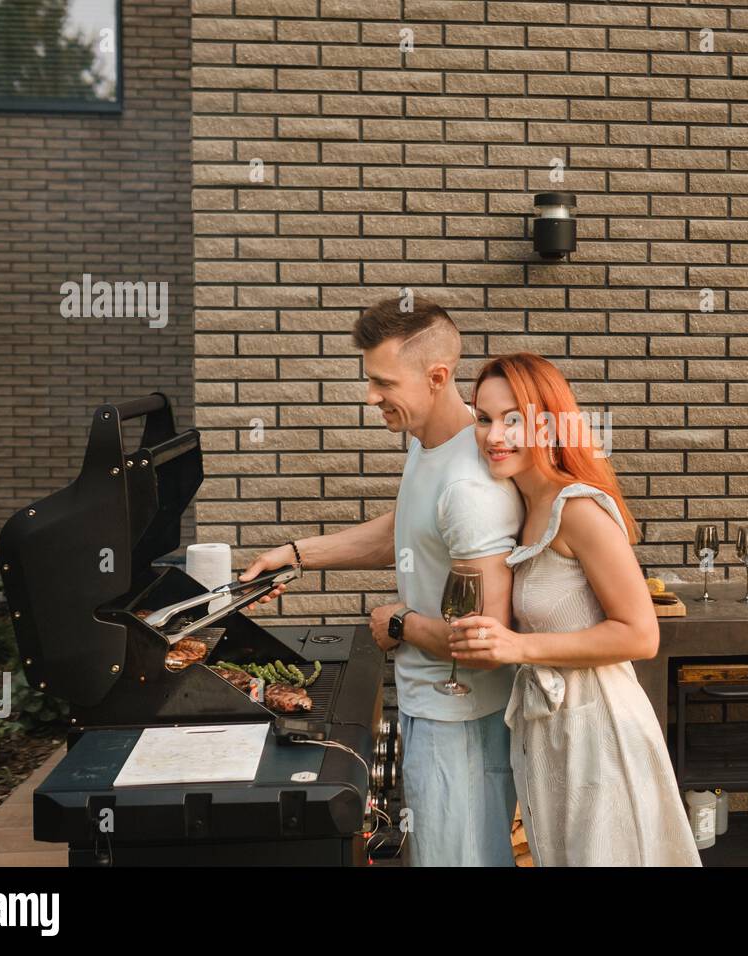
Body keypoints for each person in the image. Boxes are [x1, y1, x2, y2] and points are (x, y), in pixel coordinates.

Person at [240, 297, 523, 866]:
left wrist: (398, 623)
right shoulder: (430, 443)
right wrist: (295, 556)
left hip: (461, 721)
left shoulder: (469, 487)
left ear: (437, 377)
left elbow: (485, 641)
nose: (370, 396)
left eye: (383, 382)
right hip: (432, 708)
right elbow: (405, 529)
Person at [448, 352, 701, 866]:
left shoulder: (578, 508)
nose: (495, 436)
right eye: (484, 419)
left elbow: (641, 635)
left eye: (513, 420)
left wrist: (518, 647)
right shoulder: (521, 503)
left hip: (601, 734)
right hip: (552, 733)